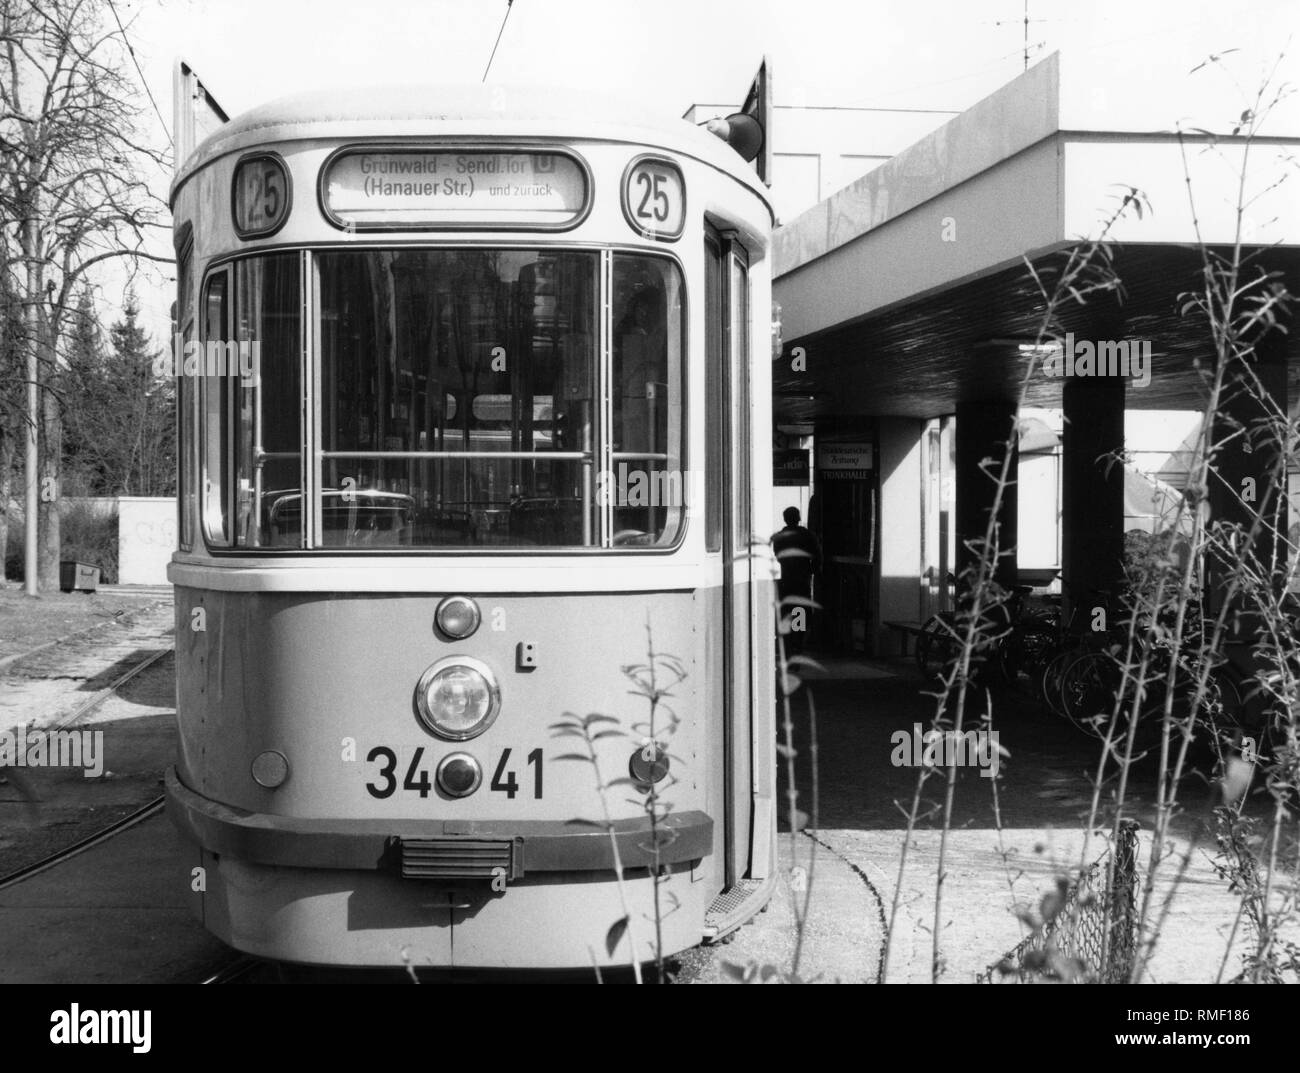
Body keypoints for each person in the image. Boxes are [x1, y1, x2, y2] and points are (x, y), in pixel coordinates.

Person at [772, 506, 821, 652]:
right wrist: (811, 571)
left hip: (785, 580)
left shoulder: (779, 536)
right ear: (798, 518)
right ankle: (797, 645)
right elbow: (818, 556)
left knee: (786, 612)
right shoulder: (808, 535)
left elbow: (777, 554)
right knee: (799, 612)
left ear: (785, 519)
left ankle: (787, 646)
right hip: (802, 581)